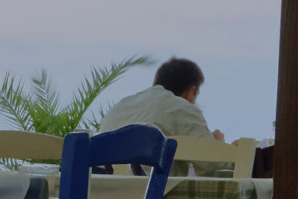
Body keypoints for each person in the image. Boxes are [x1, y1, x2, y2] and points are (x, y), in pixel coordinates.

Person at [96, 58, 224, 143]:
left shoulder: (120, 106)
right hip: (149, 177)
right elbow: (210, 164)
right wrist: (217, 145)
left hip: (100, 177)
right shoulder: (182, 108)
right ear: (190, 92)